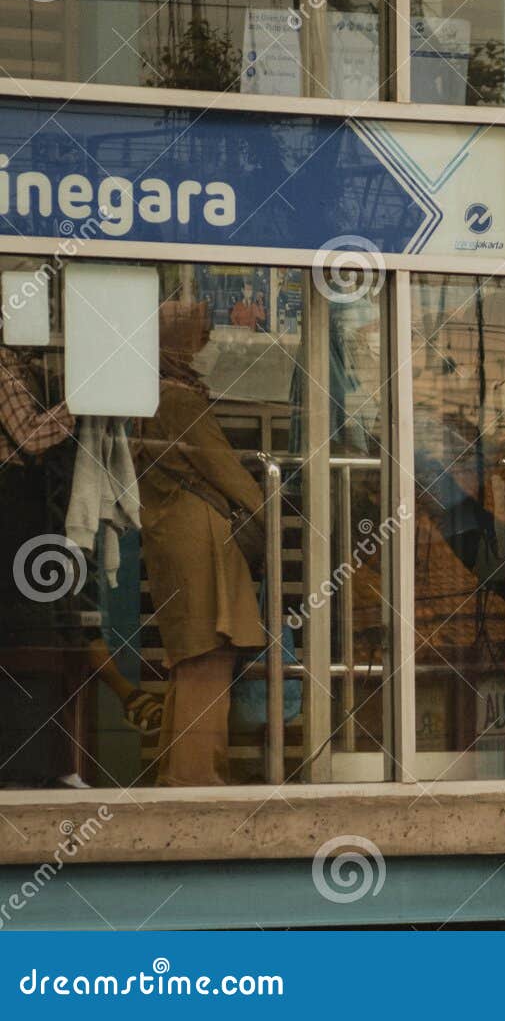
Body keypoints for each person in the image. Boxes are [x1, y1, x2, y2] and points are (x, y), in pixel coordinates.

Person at [136, 301, 267, 786]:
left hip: (171, 536)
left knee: (188, 661)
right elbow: (225, 471)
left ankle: (176, 775)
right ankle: (199, 780)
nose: (206, 348)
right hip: (203, 540)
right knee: (210, 659)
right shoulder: (180, 401)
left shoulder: (146, 396)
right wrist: (273, 512)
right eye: (201, 338)